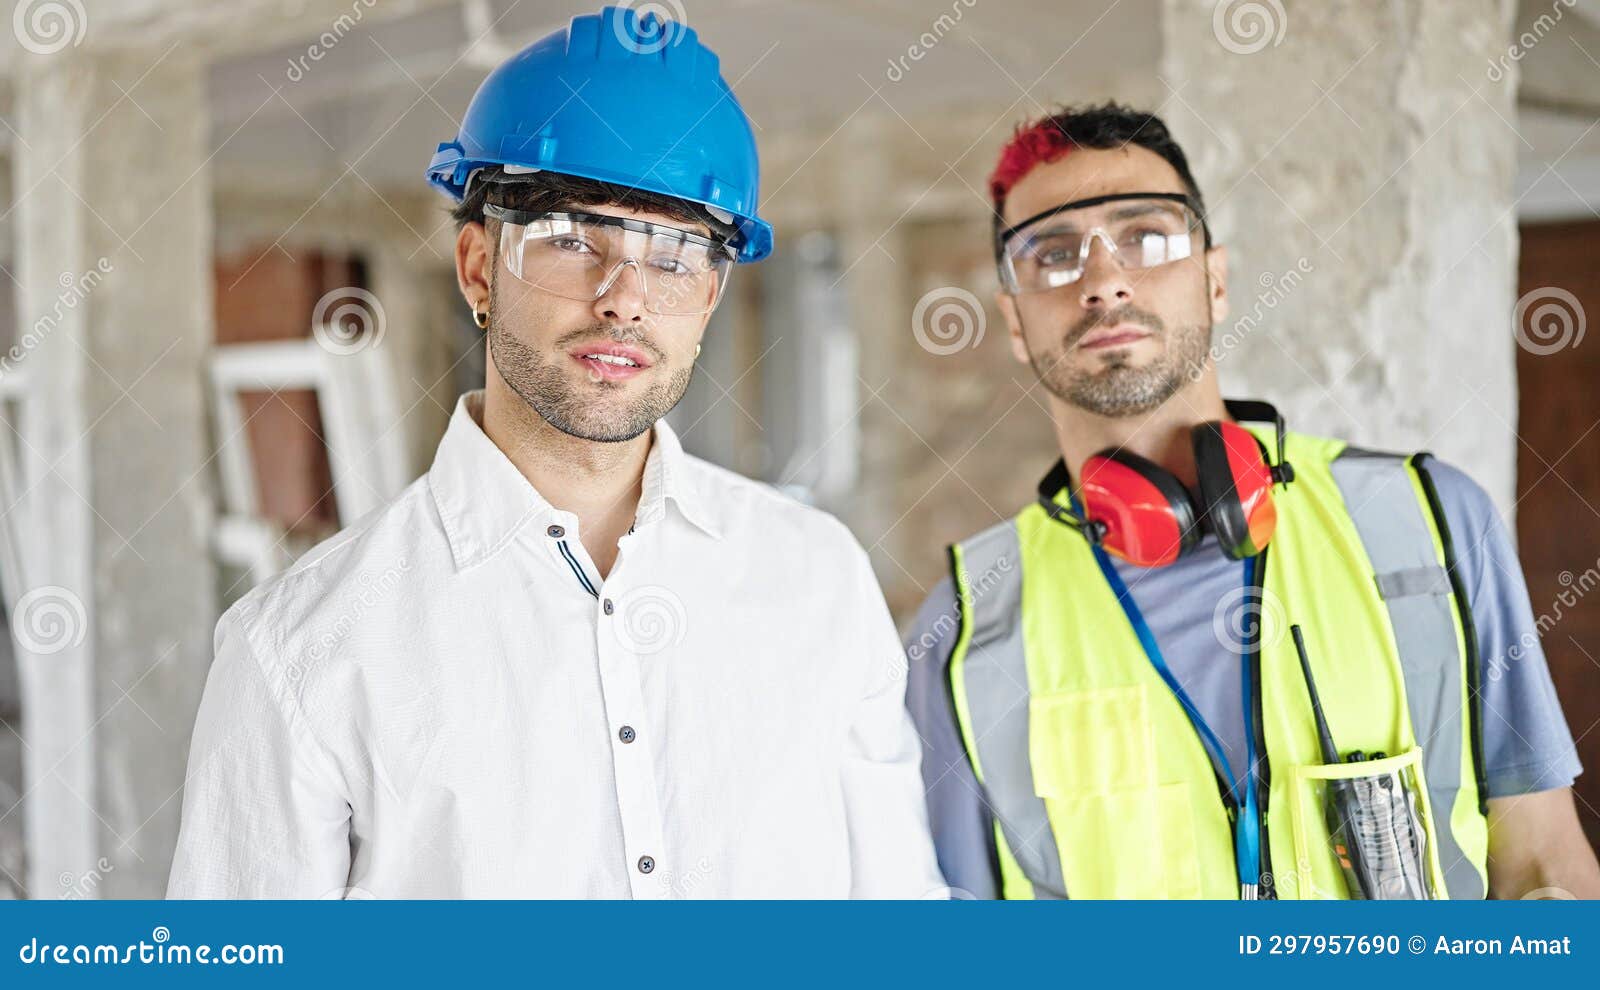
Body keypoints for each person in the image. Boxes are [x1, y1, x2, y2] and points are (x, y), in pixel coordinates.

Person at [168, 6, 941, 899]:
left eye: (675, 256)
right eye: (572, 241)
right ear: (476, 269)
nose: (623, 300)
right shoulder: (302, 648)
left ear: (714, 294)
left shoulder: (817, 580)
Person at [904, 103, 1600, 900]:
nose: (1104, 280)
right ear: (1016, 324)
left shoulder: (1426, 520)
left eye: (1146, 235)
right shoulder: (964, 628)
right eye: (1052, 255)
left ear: (1215, 278)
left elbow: (1545, 863)